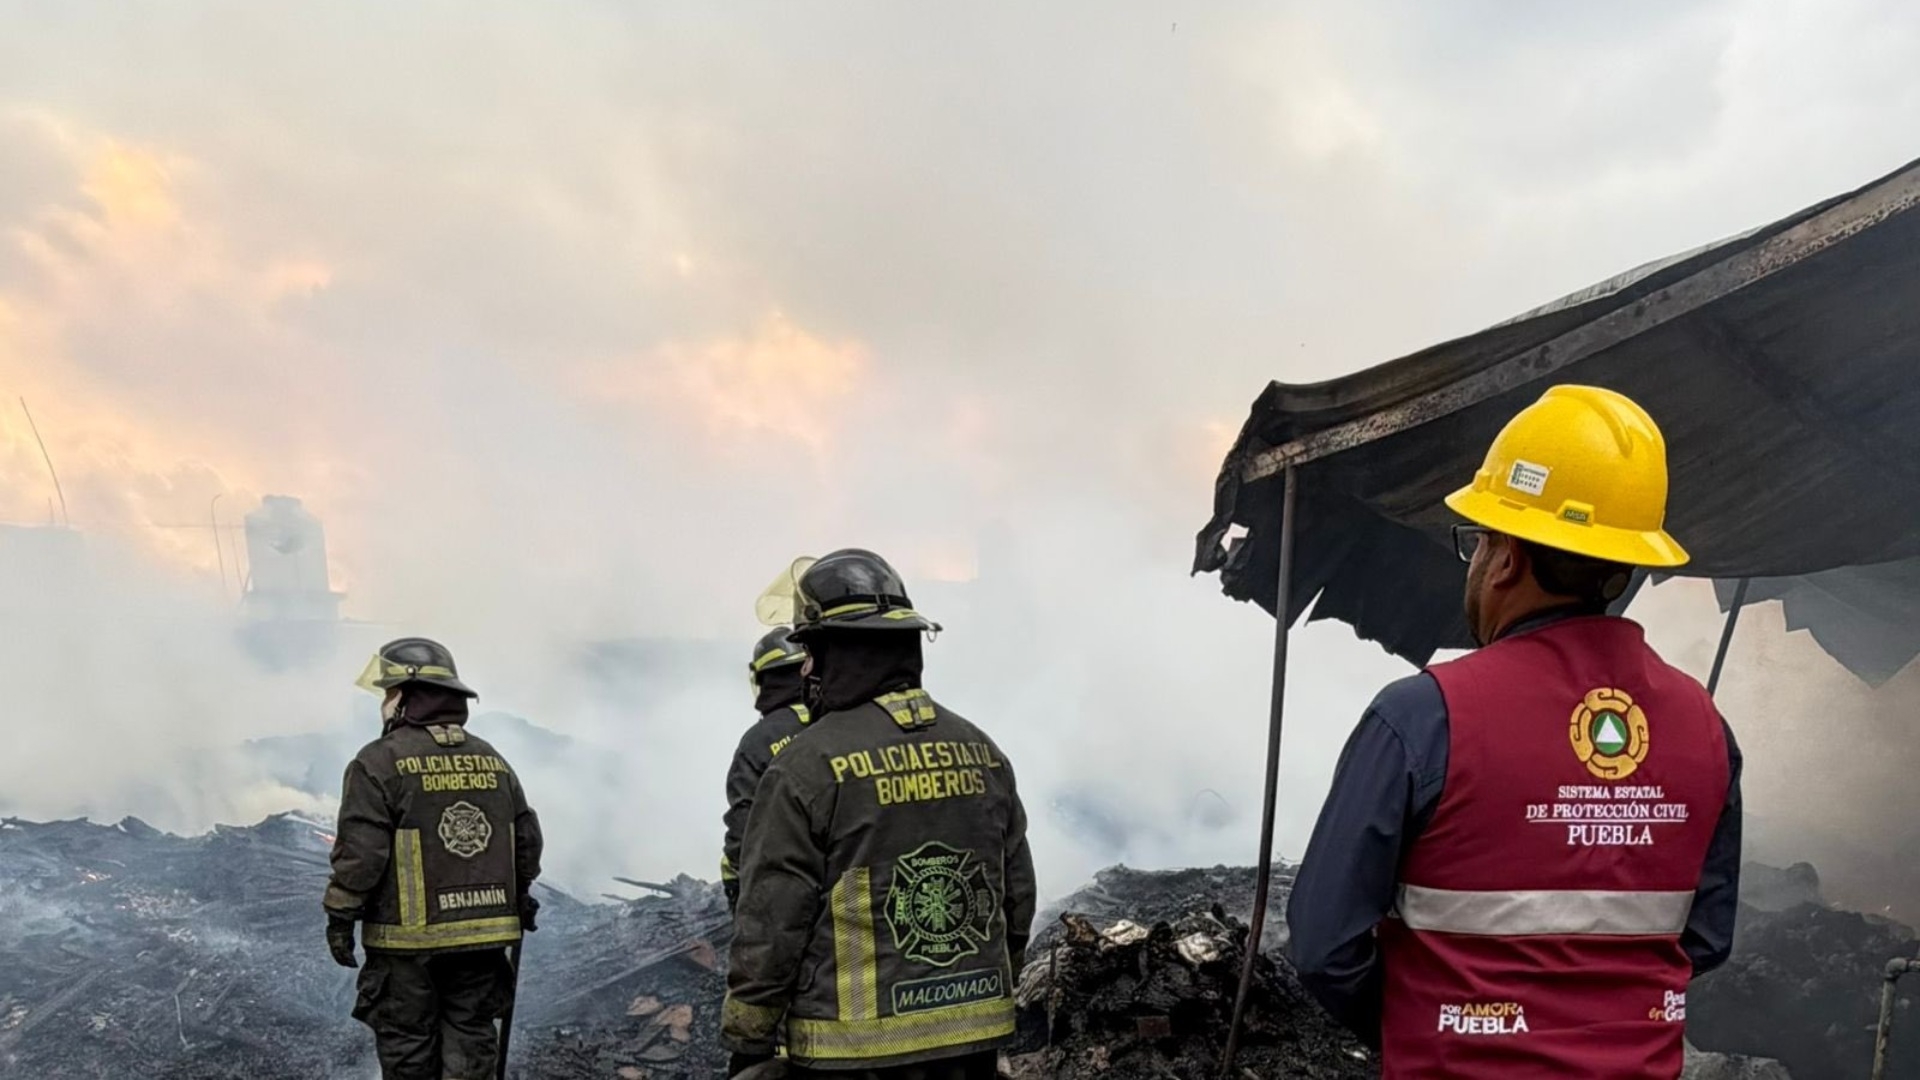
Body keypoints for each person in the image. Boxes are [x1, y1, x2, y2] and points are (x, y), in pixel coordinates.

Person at [1287, 384, 1743, 1078]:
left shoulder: (1422, 716)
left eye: (1476, 541)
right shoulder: (1706, 729)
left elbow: (1325, 946)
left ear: (1506, 557)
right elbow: (1703, 939)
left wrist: (1433, 1020)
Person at [722, 549, 1036, 1080]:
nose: (807, 671)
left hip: (853, 1054)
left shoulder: (806, 766)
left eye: (812, 654)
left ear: (835, 653)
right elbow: (1016, 894)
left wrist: (749, 1041)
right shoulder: (982, 750)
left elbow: (773, 921)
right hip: (973, 1044)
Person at [323, 637, 545, 1080]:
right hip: (484, 937)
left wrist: (340, 915)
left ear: (407, 696)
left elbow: (362, 854)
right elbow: (526, 840)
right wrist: (519, 894)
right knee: (472, 1036)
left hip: (407, 944)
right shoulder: (492, 760)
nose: (384, 703)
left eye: (388, 693)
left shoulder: (378, 762)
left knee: (409, 1044)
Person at [721, 626, 815, 912]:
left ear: (762, 679)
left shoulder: (758, 742)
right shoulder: (840, 722)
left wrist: (736, 888)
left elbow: (744, 825)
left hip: (787, 890)